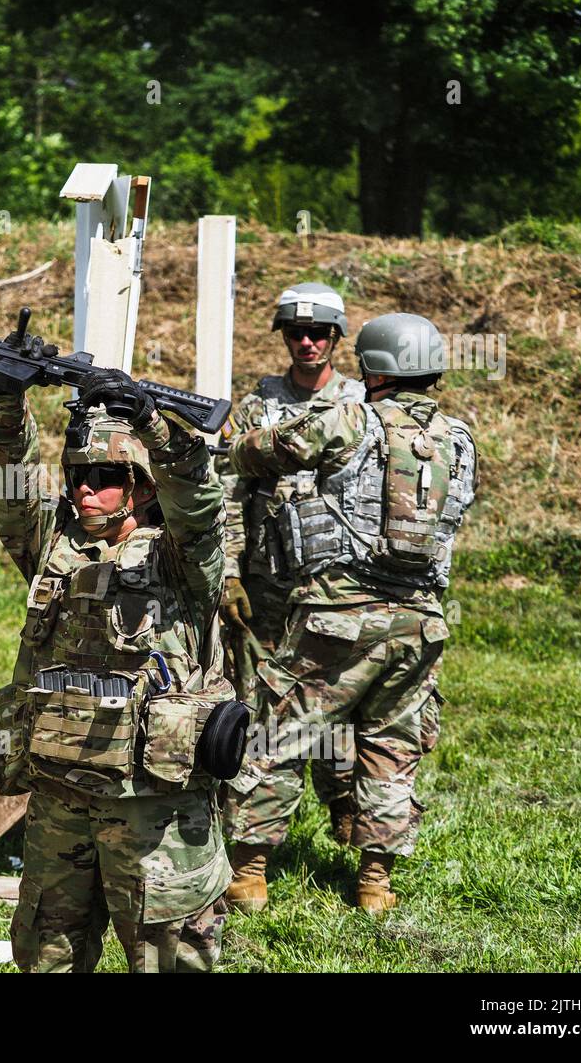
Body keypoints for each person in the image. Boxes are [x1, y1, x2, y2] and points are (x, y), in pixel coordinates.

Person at [0, 363, 234, 972]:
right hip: (61, 796)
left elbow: (199, 504)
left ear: (141, 484)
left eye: (107, 477)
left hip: (152, 806)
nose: (87, 489)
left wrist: (154, 427)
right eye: (78, 476)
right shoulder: (56, 546)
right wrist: (6, 406)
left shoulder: (183, 560)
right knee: (46, 953)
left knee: (169, 957)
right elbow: (7, 490)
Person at [219, 313, 478, 912]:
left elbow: (272, 450)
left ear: (372, 366)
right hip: (421, 622)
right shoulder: (460, 439)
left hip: (339, 614)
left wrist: (238, 446)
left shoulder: (351, 417)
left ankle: (251, 875)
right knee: (392, 748)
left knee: (277, 732)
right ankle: (374, 886)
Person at [217, 284, 365, 881]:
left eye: (319, 334)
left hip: (345, 587)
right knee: (264, 713)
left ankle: (352, 821)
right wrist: (229, 572)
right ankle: (253, 851)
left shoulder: (361, 404)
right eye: (295, 334)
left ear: (336, 339)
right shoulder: (259, 407)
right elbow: (228, 493)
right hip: (270, 591)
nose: (307, 343)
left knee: (341, 705)